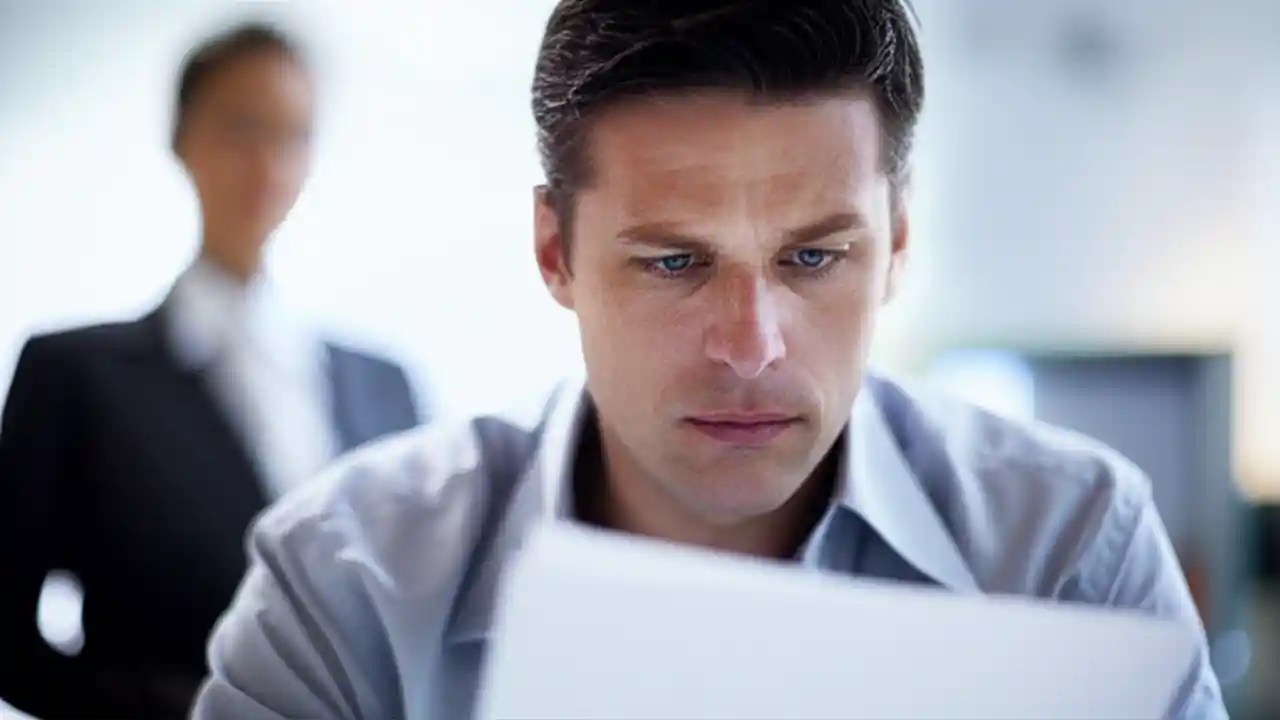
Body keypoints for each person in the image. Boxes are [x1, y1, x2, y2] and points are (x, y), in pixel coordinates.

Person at [192, 2, 1226, 719]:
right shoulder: (344, 587)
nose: (750, 346)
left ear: (898, 242)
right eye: (675, 262)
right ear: (554, 251)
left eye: (813, 258)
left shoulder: (1072, 552)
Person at [0, 23, 424, 719]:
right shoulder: (75, 377)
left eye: (293, 135)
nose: (267, 164)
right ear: (182, 139)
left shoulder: (384, 386)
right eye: (241, 128)